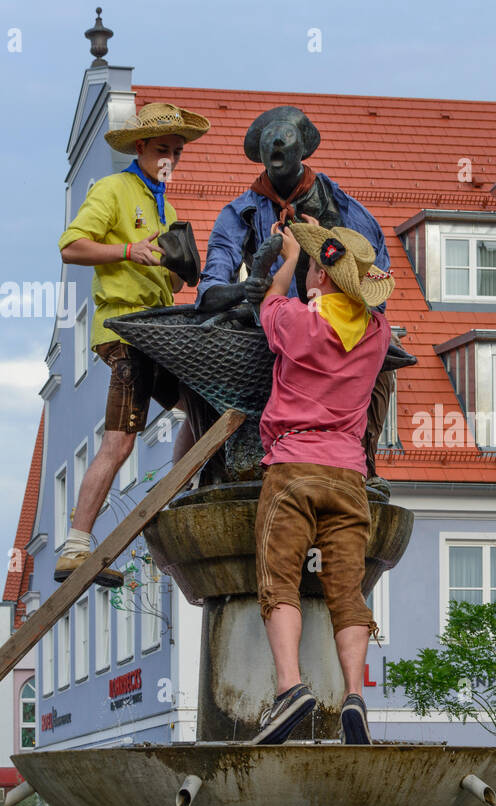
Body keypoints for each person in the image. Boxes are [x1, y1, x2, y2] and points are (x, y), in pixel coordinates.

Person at [195, 105, 399, 492]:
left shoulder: (345, 208)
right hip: (268, 329)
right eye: (269, 148)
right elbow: (208, 294)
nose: (277, 153)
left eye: (285, 144)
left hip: (331, 327)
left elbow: (377, 280)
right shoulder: (239, 213)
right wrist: (245, 290)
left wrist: (333, 319)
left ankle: (366, 461)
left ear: (303, 149)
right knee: (203, 356)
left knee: (385, 359)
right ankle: (218, 466)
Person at [248, 218, 393, 745]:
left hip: (293, 468)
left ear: (322, 278)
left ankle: (291, 688)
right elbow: (358, 301)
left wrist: (290, 258)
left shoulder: (296, 322)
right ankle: (354, 695)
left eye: (316, 266)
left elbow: (269, 303)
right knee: (348, 591)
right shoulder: (377, 334)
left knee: (278, 580)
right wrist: (328, 249)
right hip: (348, 477)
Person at [55, 101, 210, 587]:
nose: (171, 159)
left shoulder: (167, 207)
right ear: (139, 147)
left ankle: (178, 494)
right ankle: (75, 547)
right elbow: (71, 247)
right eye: (164, 149)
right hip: (126, 332)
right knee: (120, 439)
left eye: (177, 151)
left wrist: (182, 269)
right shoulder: (112, 189)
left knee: (203, 406)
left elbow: (171, 281)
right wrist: (129, 250)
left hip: (157, 333)